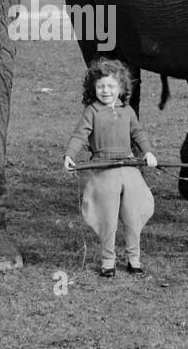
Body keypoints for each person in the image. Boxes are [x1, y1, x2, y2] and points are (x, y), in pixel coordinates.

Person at [63, 58, 157, 276]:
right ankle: (108, 260)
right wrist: (69, 155)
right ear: (93, 88)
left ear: (121, 87)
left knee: (133, 216)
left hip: (129, 167)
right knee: (107, 218)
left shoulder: (128, 111)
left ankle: (134, 259)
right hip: (104, 170)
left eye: (111, 86)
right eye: (100, 86)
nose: (106, 91)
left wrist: (149, 153)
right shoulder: (92, 111)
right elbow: (80, 135)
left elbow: (138, 134)